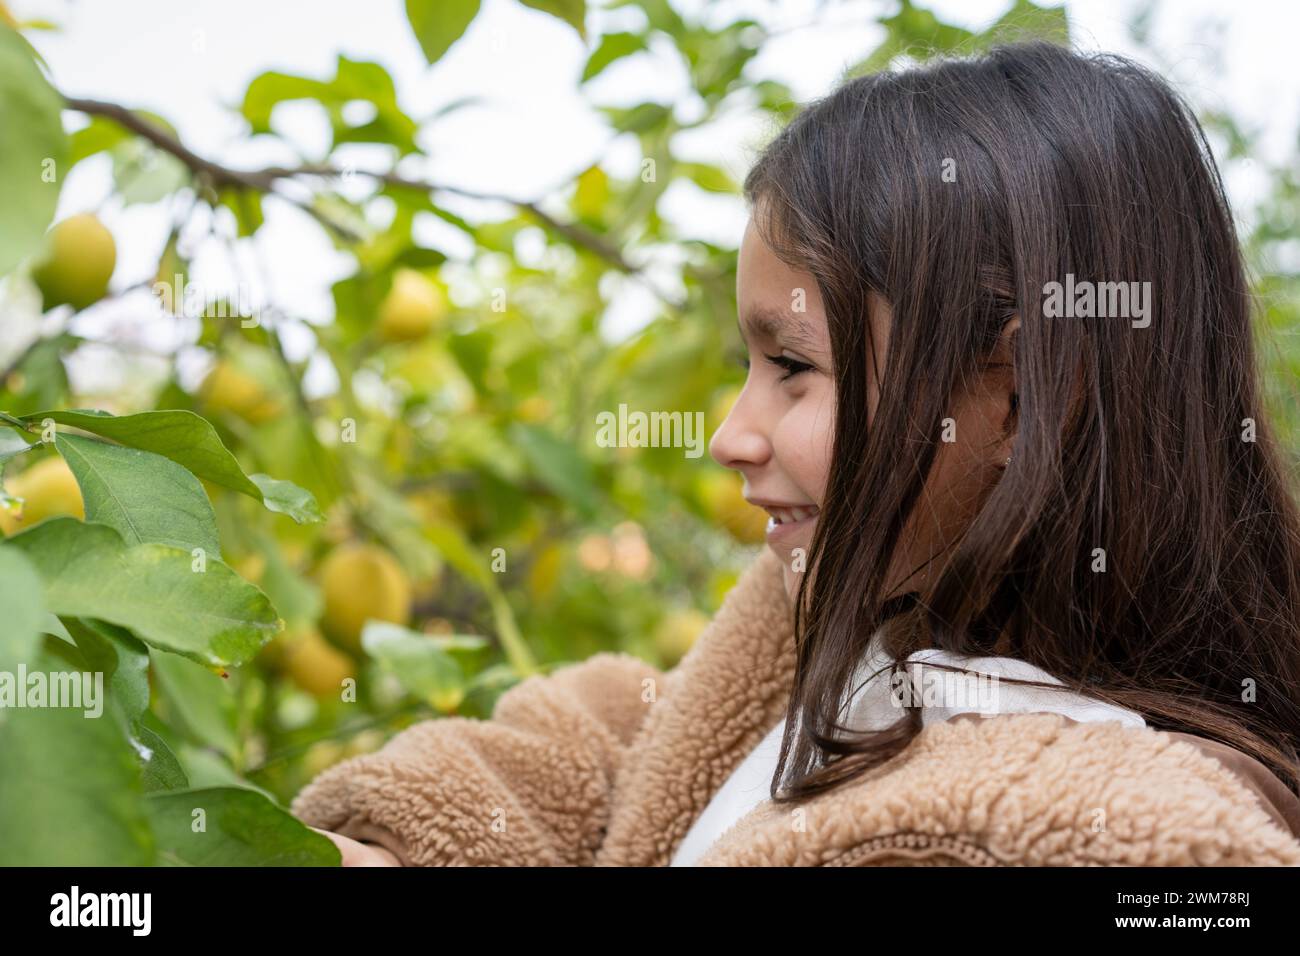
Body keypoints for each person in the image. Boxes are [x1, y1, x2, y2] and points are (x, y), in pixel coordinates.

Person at [294, 41, 1300, 866]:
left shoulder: (1116, 836)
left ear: (1019, 400)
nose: (732, 434)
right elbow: (619, 758)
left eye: (793, 365)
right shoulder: (838, 623)